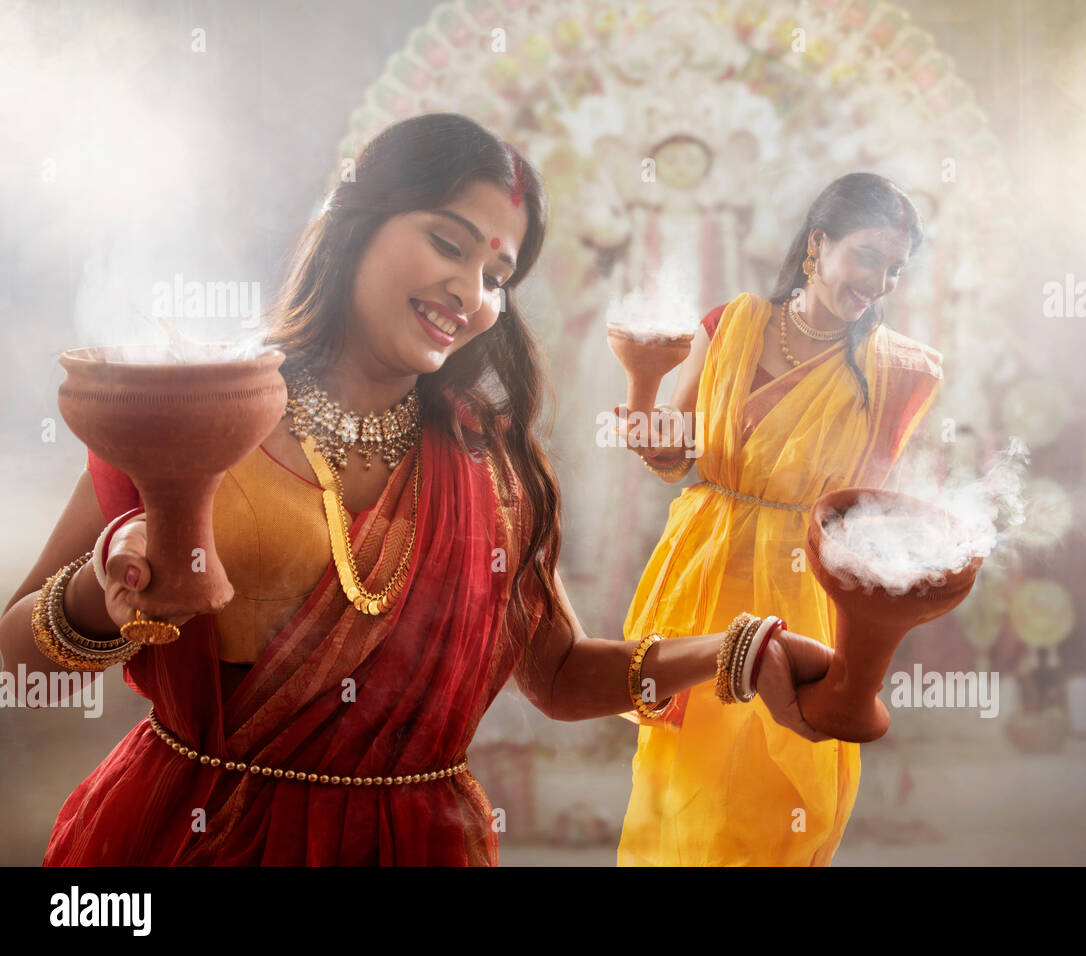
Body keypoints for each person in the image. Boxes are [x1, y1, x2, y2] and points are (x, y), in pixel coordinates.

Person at [0, 112, 834, 866]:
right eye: (448, 242)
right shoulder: (200, 410)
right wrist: (107, 592)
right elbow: (15, 658)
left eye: (497, 273)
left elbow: (559, 675)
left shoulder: (489, 464)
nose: (471, 295)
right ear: (355, 224)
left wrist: (736, 651)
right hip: (189, 840)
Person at [614, 173, 945, 866]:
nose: (878, 283)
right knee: (692, 786)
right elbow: (675, 455)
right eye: (866, 258)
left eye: (894, 270)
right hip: (703, 584)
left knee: (786, 794)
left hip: (804, 599)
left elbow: (872, 514)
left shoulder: (899, 374)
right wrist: (643, 400)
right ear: (818, 245)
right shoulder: (730, 325)